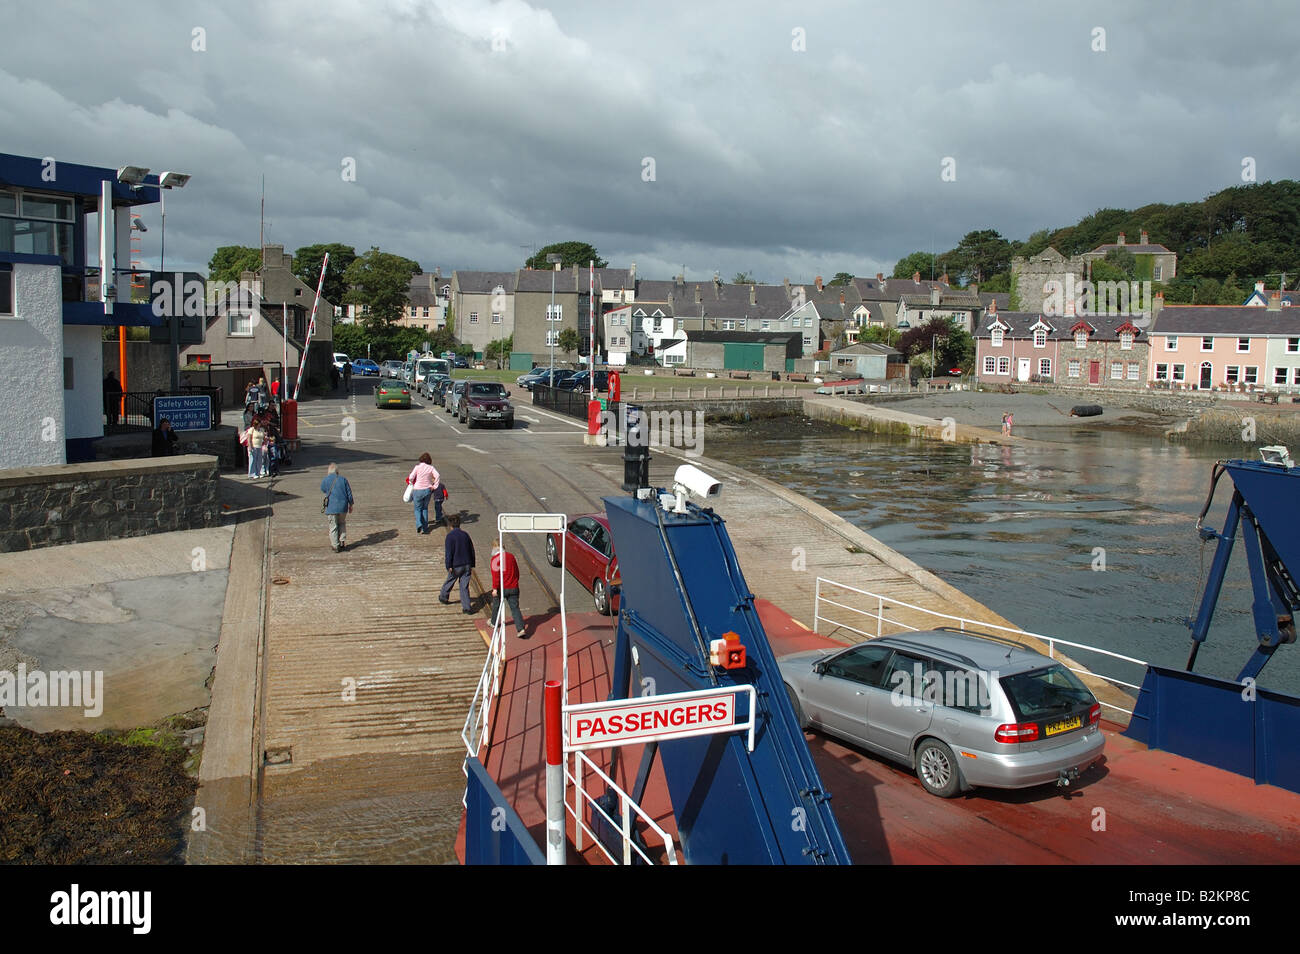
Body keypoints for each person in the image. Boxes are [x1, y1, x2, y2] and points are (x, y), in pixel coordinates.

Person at [438, 514, 476, 613]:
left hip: (456, 565)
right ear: (459, 524)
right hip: (467, 564)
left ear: (450, 525)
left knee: (450, 581)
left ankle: (443, 597)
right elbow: (471, 549)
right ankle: (467, 607)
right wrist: (472, 563)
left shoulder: (450, 537)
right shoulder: (465, 534)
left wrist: (448, 565)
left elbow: (449, 553)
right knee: (464, 586)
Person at [489, 543, 528, 638]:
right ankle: (521, 629)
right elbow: (517, 572)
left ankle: (493, 622)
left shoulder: (495, 559)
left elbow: (496, 576)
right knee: (515, 608)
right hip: (513, 587)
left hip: (501, 588)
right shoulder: (511, 557)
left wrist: (494, 588)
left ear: (495, 547)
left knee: (496, 605)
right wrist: (515, 582)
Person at [321, 462, 354, 552]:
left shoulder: (325, 480)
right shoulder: (343, 479)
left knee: (333, 526)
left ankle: (335, 545)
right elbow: (349, 493)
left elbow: (323, 489)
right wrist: (350, 504)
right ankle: (342, 541)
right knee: (342, 523)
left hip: (331, 506)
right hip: (343, 506)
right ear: (337, 471)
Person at [407, 452, 440, 534]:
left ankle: (419, 524)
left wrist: (411, 482)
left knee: (417, 509)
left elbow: (411, 477)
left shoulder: (417, 467)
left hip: (417, 489)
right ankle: (425, 528)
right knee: (425, 508)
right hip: (427, 490)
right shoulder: (431, 468)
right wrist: (434, 486)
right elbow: (438, 475)